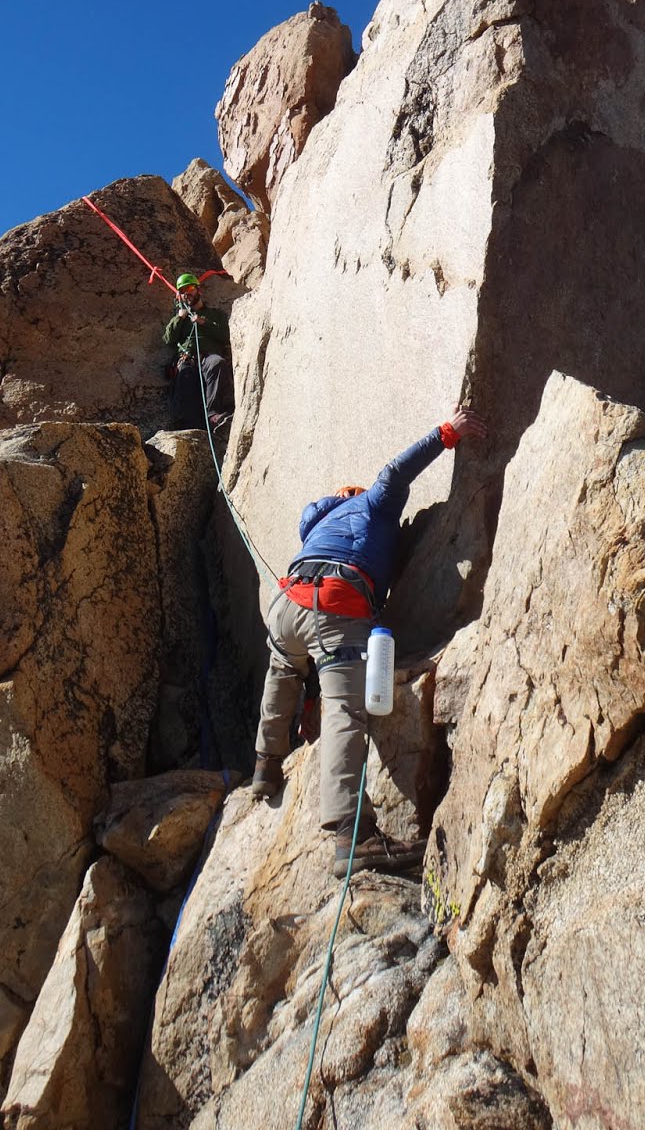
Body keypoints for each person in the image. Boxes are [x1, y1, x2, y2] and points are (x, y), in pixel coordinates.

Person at [252, 408, 487, 878]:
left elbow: (314, 512)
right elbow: (394, 473)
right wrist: (447, 434)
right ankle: (351, 835)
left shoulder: (317, 524)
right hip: (335, 604)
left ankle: (265, 767)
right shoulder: (373, 506)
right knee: (346, 709)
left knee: (283, 668)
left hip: (287, 601)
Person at [163, 273, 234, 432]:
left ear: (198, 290)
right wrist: (179, 318)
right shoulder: (180, 318)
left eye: (189, 288)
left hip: (208, 356)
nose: (187, 293)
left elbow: (225, 335)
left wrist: (204, 323)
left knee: (218, 363)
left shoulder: (215, 315)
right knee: (185, 375)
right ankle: (192, 424)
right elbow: (169, 339)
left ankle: (214, 415)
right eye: (182, 291)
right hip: (188, 358)